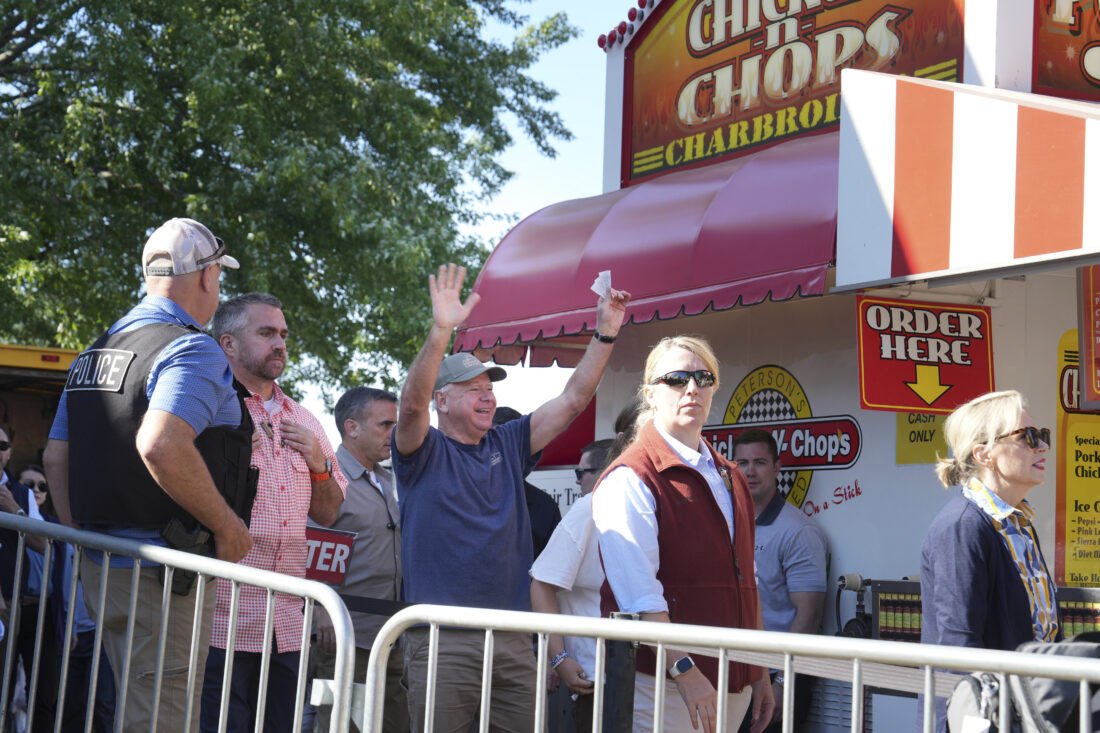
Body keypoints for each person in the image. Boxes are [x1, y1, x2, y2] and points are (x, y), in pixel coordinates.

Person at [392, 263, 629, 732]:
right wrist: (443, 330)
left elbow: (572, 401)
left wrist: (605, 333)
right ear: (443, 400)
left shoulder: (507, 442)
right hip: (443, 639)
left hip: (515, 640)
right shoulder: (423, 449)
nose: (487, 398)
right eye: (472, 390)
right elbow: (412, 405)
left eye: (489, 389)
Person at [43, 216, 255, 732]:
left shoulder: (94, 352)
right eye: (219, 277)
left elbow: (55, 456)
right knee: (160, 717)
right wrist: (229, 529)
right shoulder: (190, 347)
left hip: (103, 566)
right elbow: (160, 443)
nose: (219, 287)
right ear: (206, 277)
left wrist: (83, 540)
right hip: (165, 574)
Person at [591, 335, 774, 733]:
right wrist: (684, 669)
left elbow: (747, 581)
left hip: (731, 683)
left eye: (703, 377)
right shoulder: (629, 477)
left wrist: (758, 669)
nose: (692, 388)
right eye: (676, 378)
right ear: (650, 395)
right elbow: (639, 595)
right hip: (663, 687)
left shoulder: (731, 476)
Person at [200, 293, 347, 733]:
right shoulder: (209, 409)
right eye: (266, 333)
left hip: (286, 624)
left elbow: (329, 514)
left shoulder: (304, 418)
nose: (280, 343)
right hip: (220, 618)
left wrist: (319, 466)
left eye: (282, 333)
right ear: (228, 344)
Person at [920, 390, 1060, 733]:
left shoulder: (1018, 523)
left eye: (1042, 436)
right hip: (980, 719)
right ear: (984, 453)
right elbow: (959, 647)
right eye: (1028, 437)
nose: (1041, 446)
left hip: (1022, 713)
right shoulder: (962, 527)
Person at [310, 386, 408, 733]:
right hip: (346, 635)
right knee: (339, 726)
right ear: (352, 428)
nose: (393, 434)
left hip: (393, 633)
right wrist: (321, 609)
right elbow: (307, 548)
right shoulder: (325, 478)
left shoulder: (389, 479)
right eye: (384, 425)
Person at [731, 429, 826, 732]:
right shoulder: (727, 522)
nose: (750, 471)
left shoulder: (798, 530)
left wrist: (784, 682)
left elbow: (809, 617)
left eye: (760, 462)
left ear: (777, 467)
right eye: (742, 463)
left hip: (776, 677)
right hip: (735, 673)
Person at [530, 438, 613, 733]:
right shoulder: (588, 509)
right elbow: (541, 583)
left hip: (631, 674)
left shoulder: (591, 506)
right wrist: (559, 658)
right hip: (595, 674)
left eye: (581, 474)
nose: (577, 482)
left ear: (605, 472)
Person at [493, 406, 562, 559]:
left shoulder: (545, 508)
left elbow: (551, 571)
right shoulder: (459, 497)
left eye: (512, 446)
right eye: (496, 444)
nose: (503, 454)